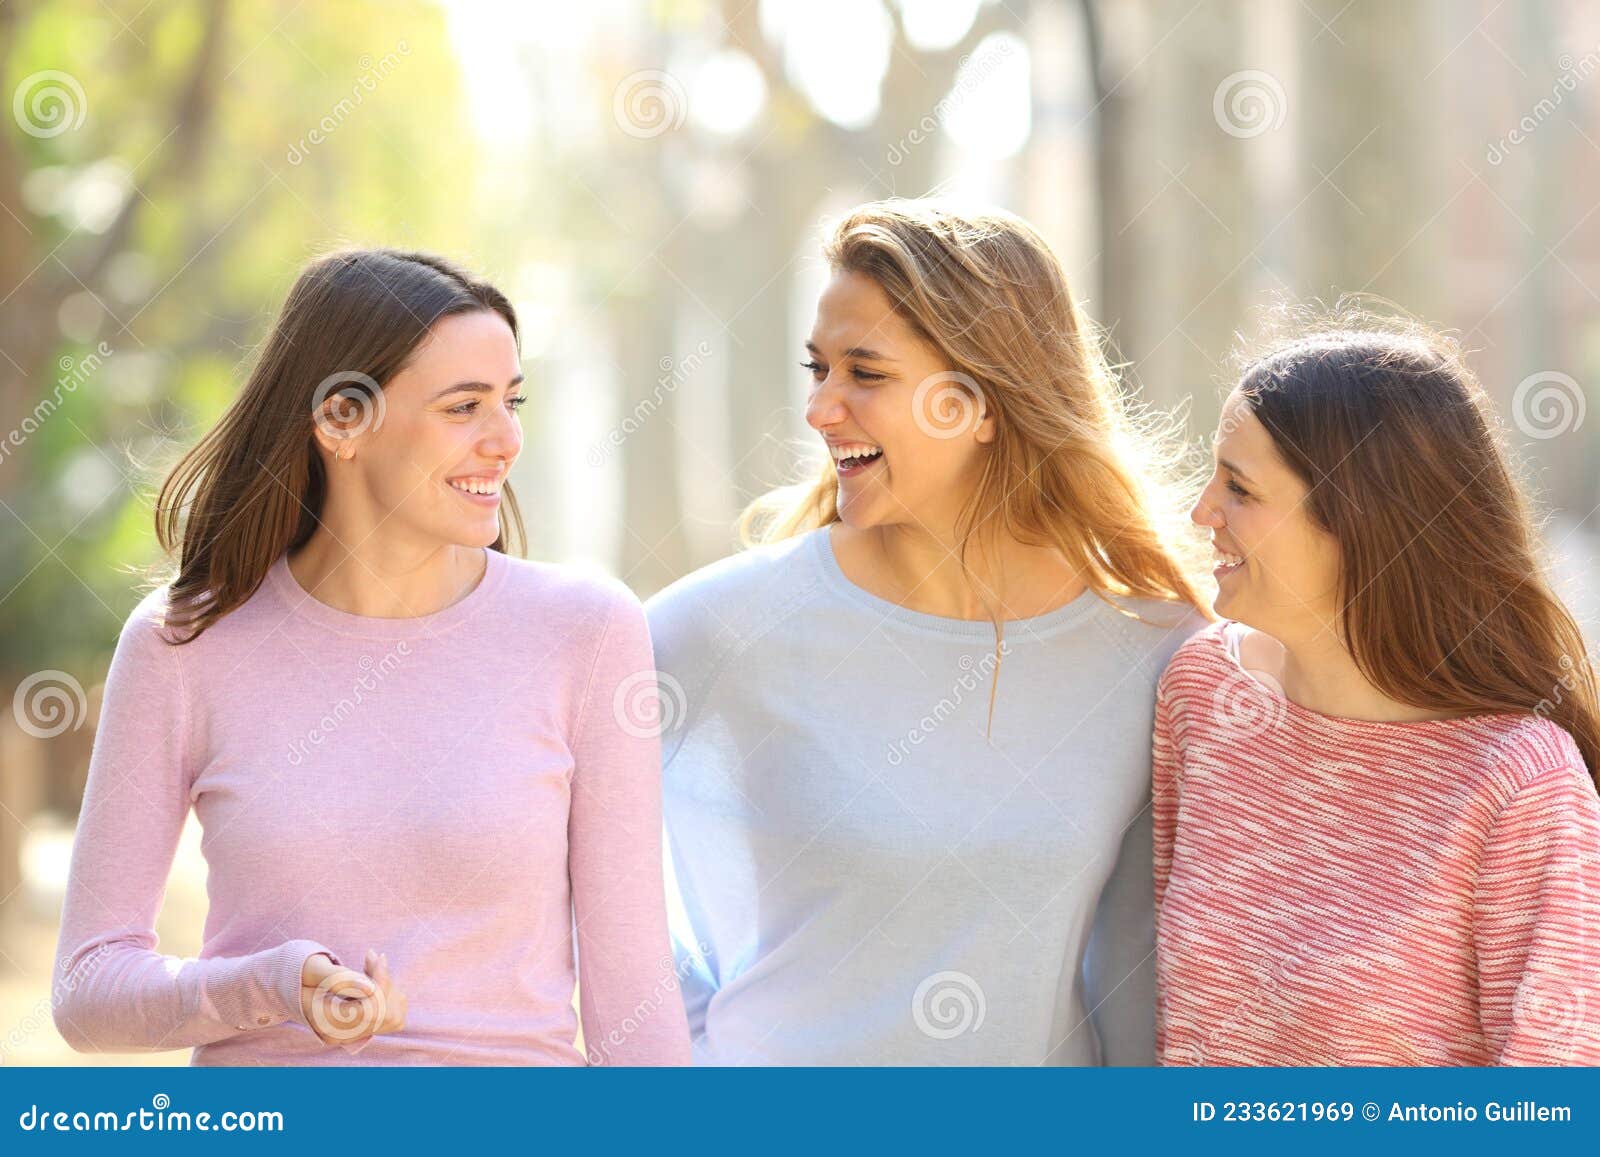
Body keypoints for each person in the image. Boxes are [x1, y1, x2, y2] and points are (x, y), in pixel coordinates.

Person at [52, 248, 690, 1066]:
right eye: (464, 407)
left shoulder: (589, 631)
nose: (506, 440)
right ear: (340, 420)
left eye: (511, 401)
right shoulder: (184, 644)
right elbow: (87, 992)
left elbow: (634, 1006)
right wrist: (277, 985)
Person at [648, 200, 1207, 1065]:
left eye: (865, 373)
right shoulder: (716, 629)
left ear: (982, 403)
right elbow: (571, 883)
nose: (821, 409)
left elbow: (1140, 973)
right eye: (819, 368)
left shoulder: (1155, 654)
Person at [1156, 306, 1600, 1065]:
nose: (1203, 511)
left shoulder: (1522, 787)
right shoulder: (1203, 693)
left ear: (1359, 522)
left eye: (1240, 488)